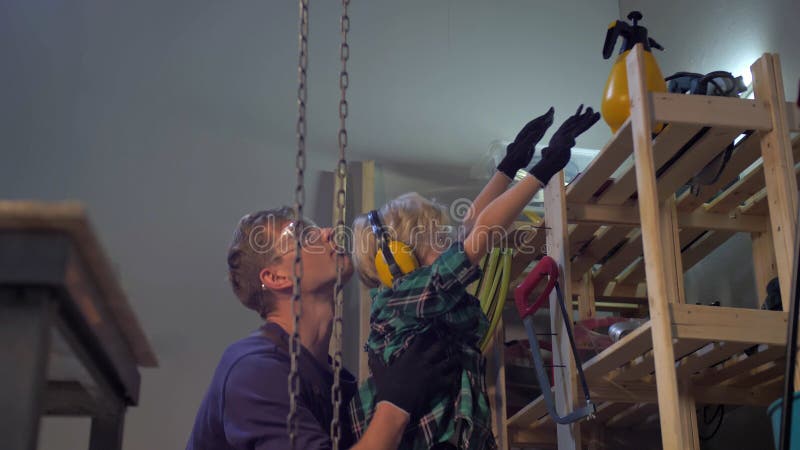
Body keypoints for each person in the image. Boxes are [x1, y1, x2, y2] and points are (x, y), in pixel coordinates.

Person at [348, 105, 600, 449]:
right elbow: (478, 235)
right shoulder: (398, 301)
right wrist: (541, 171)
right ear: (399, 259)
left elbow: (470, 227)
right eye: (435, 239)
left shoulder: (422, 296)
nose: (447, 242)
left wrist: (510, 165)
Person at [186, 207, 458, 450]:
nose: (328, 232)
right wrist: (395, 406)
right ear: (276, 277)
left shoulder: (336, 386)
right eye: (304, 235)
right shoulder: (254, 371)